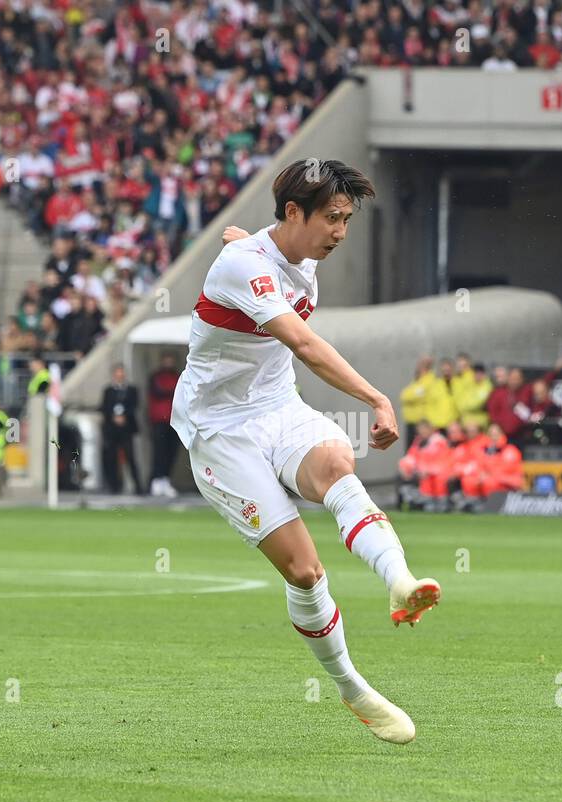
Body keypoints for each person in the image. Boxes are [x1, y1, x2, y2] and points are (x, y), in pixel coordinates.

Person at [173, 160, 440, 745]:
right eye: (332, 218)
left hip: (277, 407)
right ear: (294, 213)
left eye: (347, 219)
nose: (340, 232)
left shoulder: (291, 253)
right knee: (304, 569)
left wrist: (246, 240)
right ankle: (351, 687)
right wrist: (375, 397)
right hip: (219, 429)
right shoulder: (243, 267)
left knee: (336, 464)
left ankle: (400, 581)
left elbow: (264, 253)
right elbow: (303, 343)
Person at [101, 363, 142, 494]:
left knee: (130, 457)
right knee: (111, 458)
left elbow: (134, 406)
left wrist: (124, 417)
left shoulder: (131, 390)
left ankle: (138, 486)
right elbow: (105, 407)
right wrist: (113, 417)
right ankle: (114, 486)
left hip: (126, 428)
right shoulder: (108, 390)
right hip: (112, 429)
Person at [147, 352, 181, 497]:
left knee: (171, 452)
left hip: (174, 420)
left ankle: (165, 479)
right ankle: (156, 479)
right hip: (159, 419)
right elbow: (158, 391)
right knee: (159, 451)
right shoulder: (156, 377)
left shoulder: (178, 376)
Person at [399, 356, 434, 447]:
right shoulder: (417, 381)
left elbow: (409, 396)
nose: (418, 367)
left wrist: (410, 395)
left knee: (420, 449)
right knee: (411, 451)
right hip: (411, 423)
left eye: (421, 364)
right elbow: (404, 395)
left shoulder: (429, 380)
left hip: (421, 423)